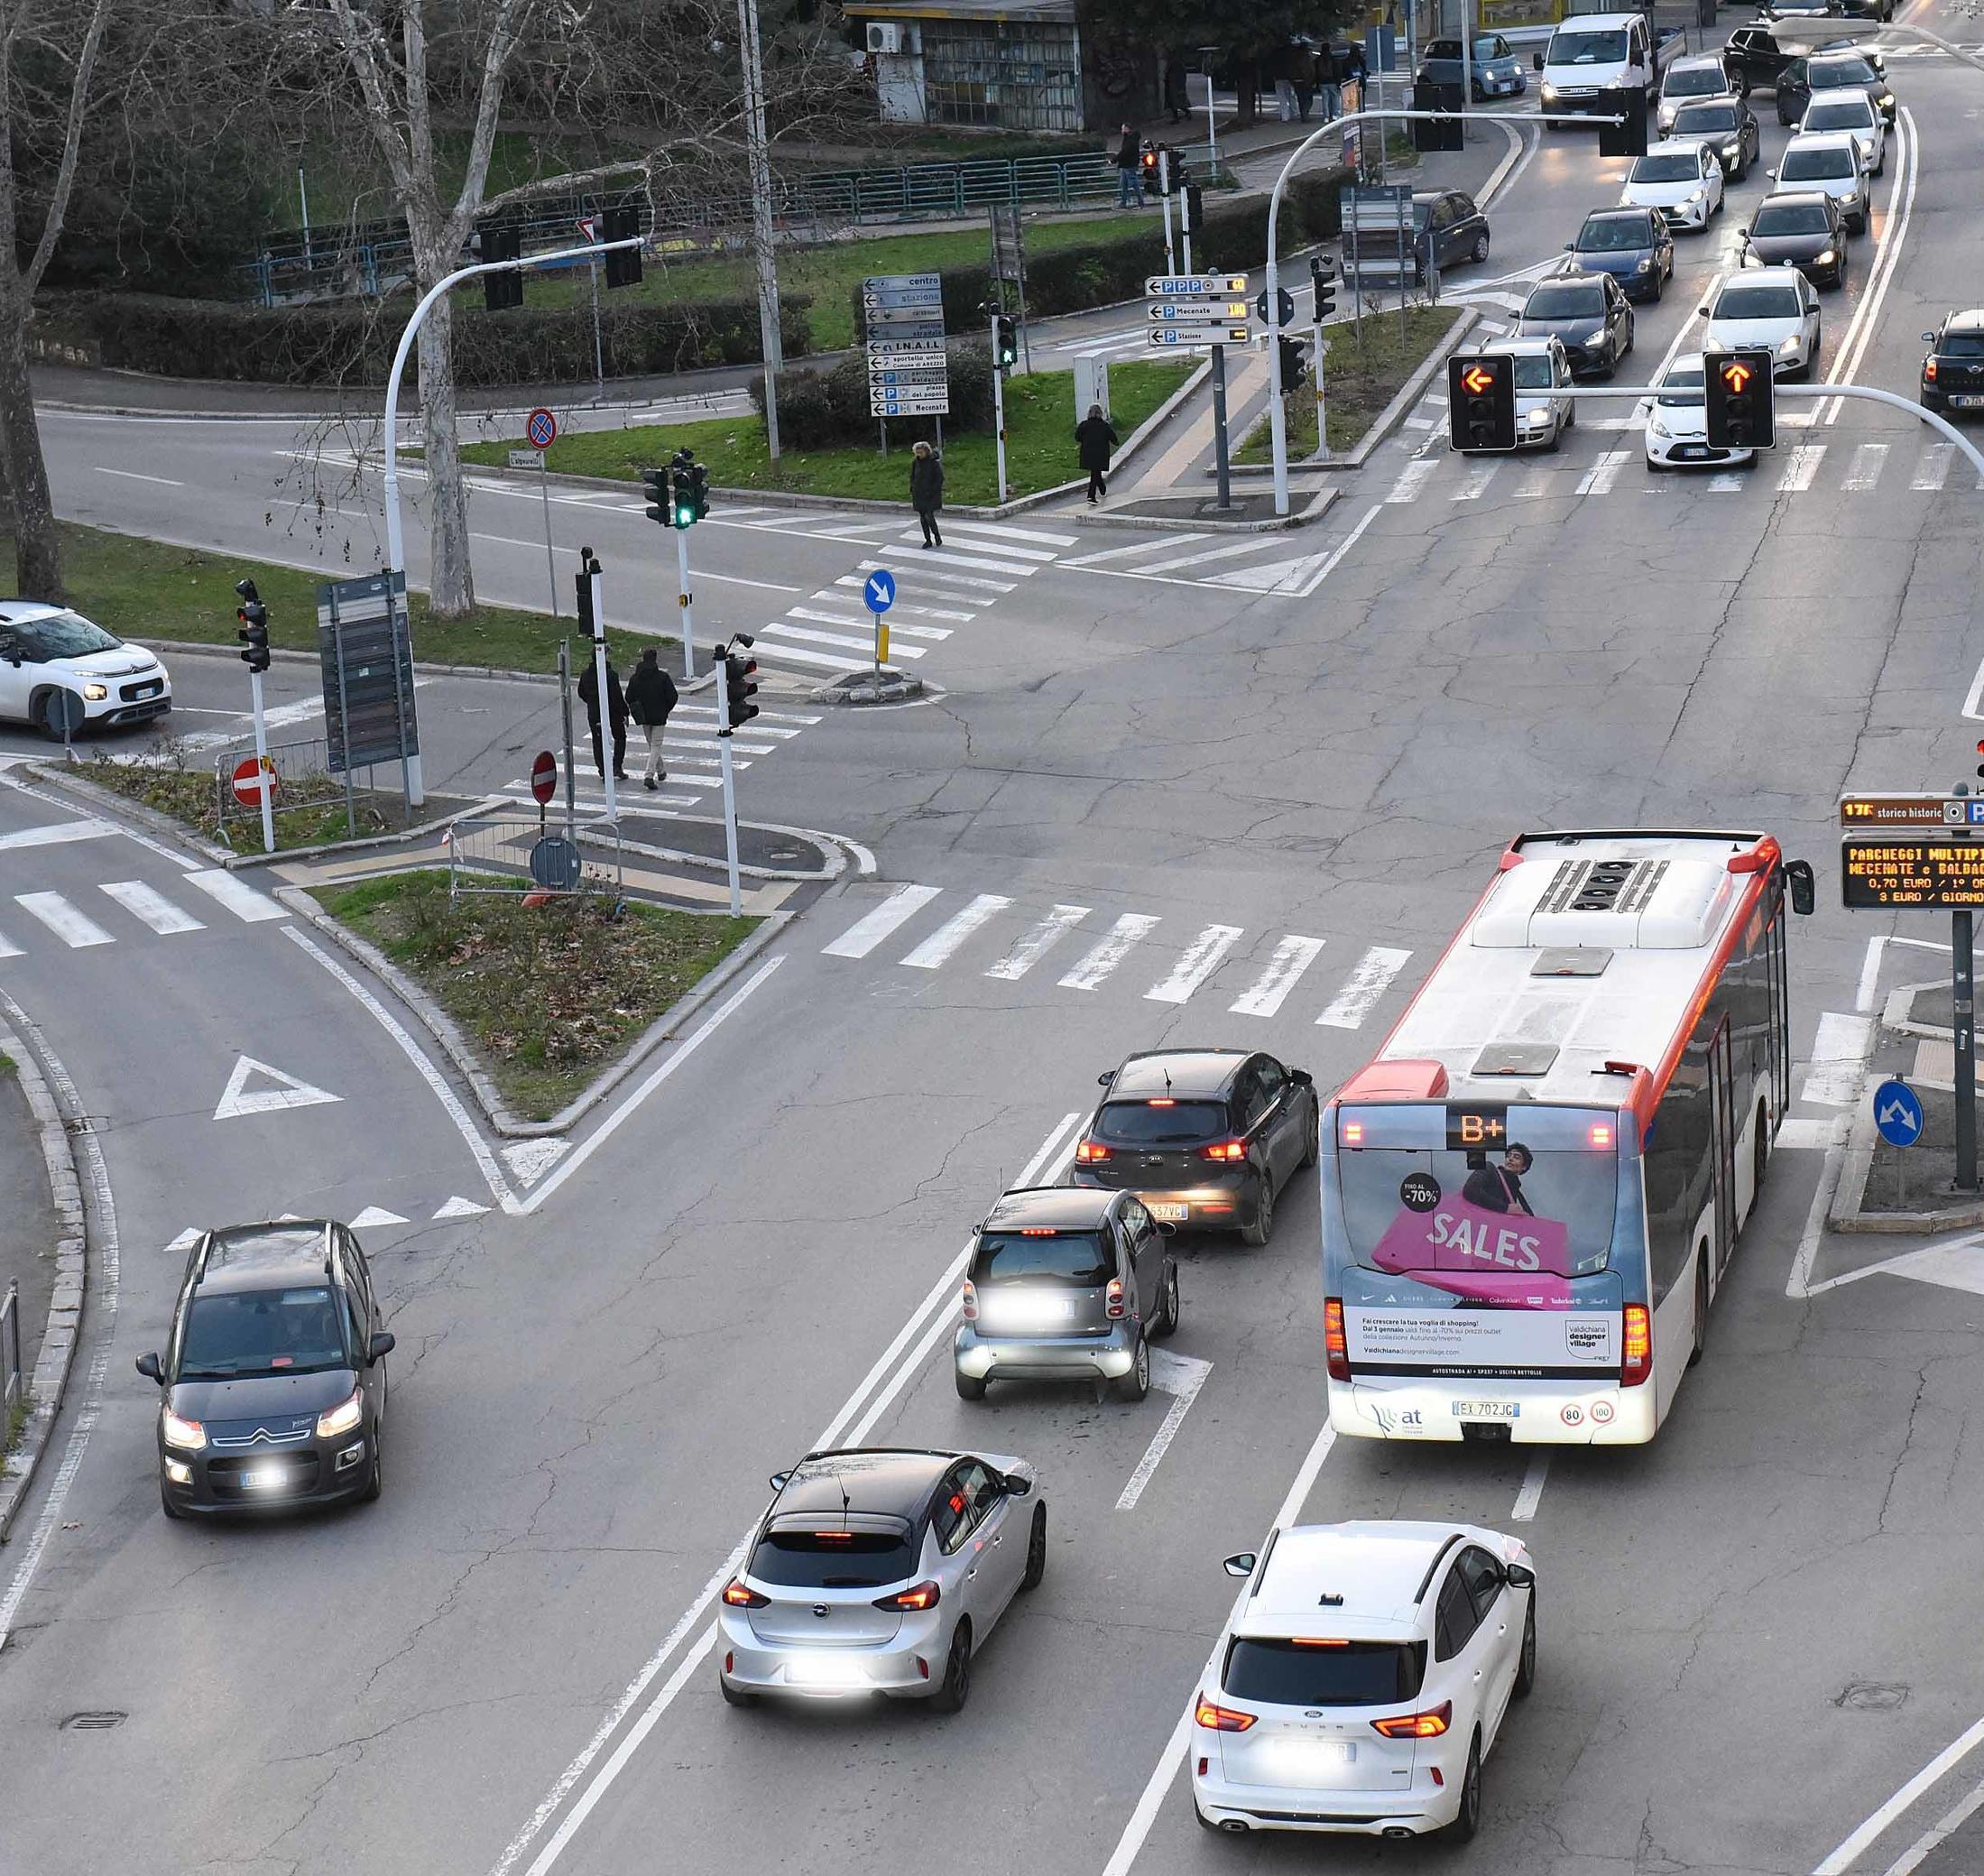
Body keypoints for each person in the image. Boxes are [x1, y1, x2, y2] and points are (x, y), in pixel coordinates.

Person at [623, 644, 678, 791]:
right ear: (655, 660)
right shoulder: (662, 677)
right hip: (659, 717)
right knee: (655, 746)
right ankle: (649, 775)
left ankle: (661, 771)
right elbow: (673, 696)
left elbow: (629, 697)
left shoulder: (635, 678)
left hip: (644, 717)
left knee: (652, 746)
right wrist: (666, 709)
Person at [577, 653, 628, 782]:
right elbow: (617, 696)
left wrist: (591, 701)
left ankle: (603, 770)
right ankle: (617, 766)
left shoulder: (585, 675)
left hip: (594, 713)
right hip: (612, 713)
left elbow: (581, 692)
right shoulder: (610, 675)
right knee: (620, 737)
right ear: (604, 656)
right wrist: (624, 712)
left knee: (597, 741)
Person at [1463, 1144, 1536, 1216]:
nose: (1510, 1159)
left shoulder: (1518, 1196)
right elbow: (1471, 1190)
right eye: (1508, 1156)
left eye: (1516, 1157)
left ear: (1524, 1167)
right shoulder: (1489, 1168)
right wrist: (1505, 1208)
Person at [1075, 402, 1119, 505]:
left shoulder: (1084, 425)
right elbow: (1114, 440)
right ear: (1100, 414)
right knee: (1095, 472)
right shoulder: (1104, 426)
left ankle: (1102, 488)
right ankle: (1091, 496)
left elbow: (1077, 437)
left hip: (1087, 453)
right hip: (1101, 454)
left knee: (1095, 473)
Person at [909, 439, 944, 547]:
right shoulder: (916, 462)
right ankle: (927, 540)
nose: (919, 455)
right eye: (917, 452)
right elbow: (913, 476)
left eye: (921, 452)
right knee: (922, 518)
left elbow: (940, 478)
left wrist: (932, 490)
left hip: (930, 494)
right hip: (918, 494)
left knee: (929, 516)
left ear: (926, 451)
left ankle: (937, 536)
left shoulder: (933, 463)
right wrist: (912, 487)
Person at [1114, 124, 1144, 208]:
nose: (1121, 131)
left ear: (1127, 129)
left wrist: (1116, 159)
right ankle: (1124, 201)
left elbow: (1125, 151)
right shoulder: (1131, 138)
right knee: (1124, 184)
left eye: (1123, 129)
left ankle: (1139, 200)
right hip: (1127, 164)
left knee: (1132, 183)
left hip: (1129, 164)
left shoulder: (1130, 139)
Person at [1164, 60, 1191, 125]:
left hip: (1175, 86)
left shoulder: (1177, 65)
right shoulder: (1174, 64)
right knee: (1174, 103)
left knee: (1176, 102)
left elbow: (1181, 77)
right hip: (1172, 85)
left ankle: (1179, 116)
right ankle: (1184, 114)